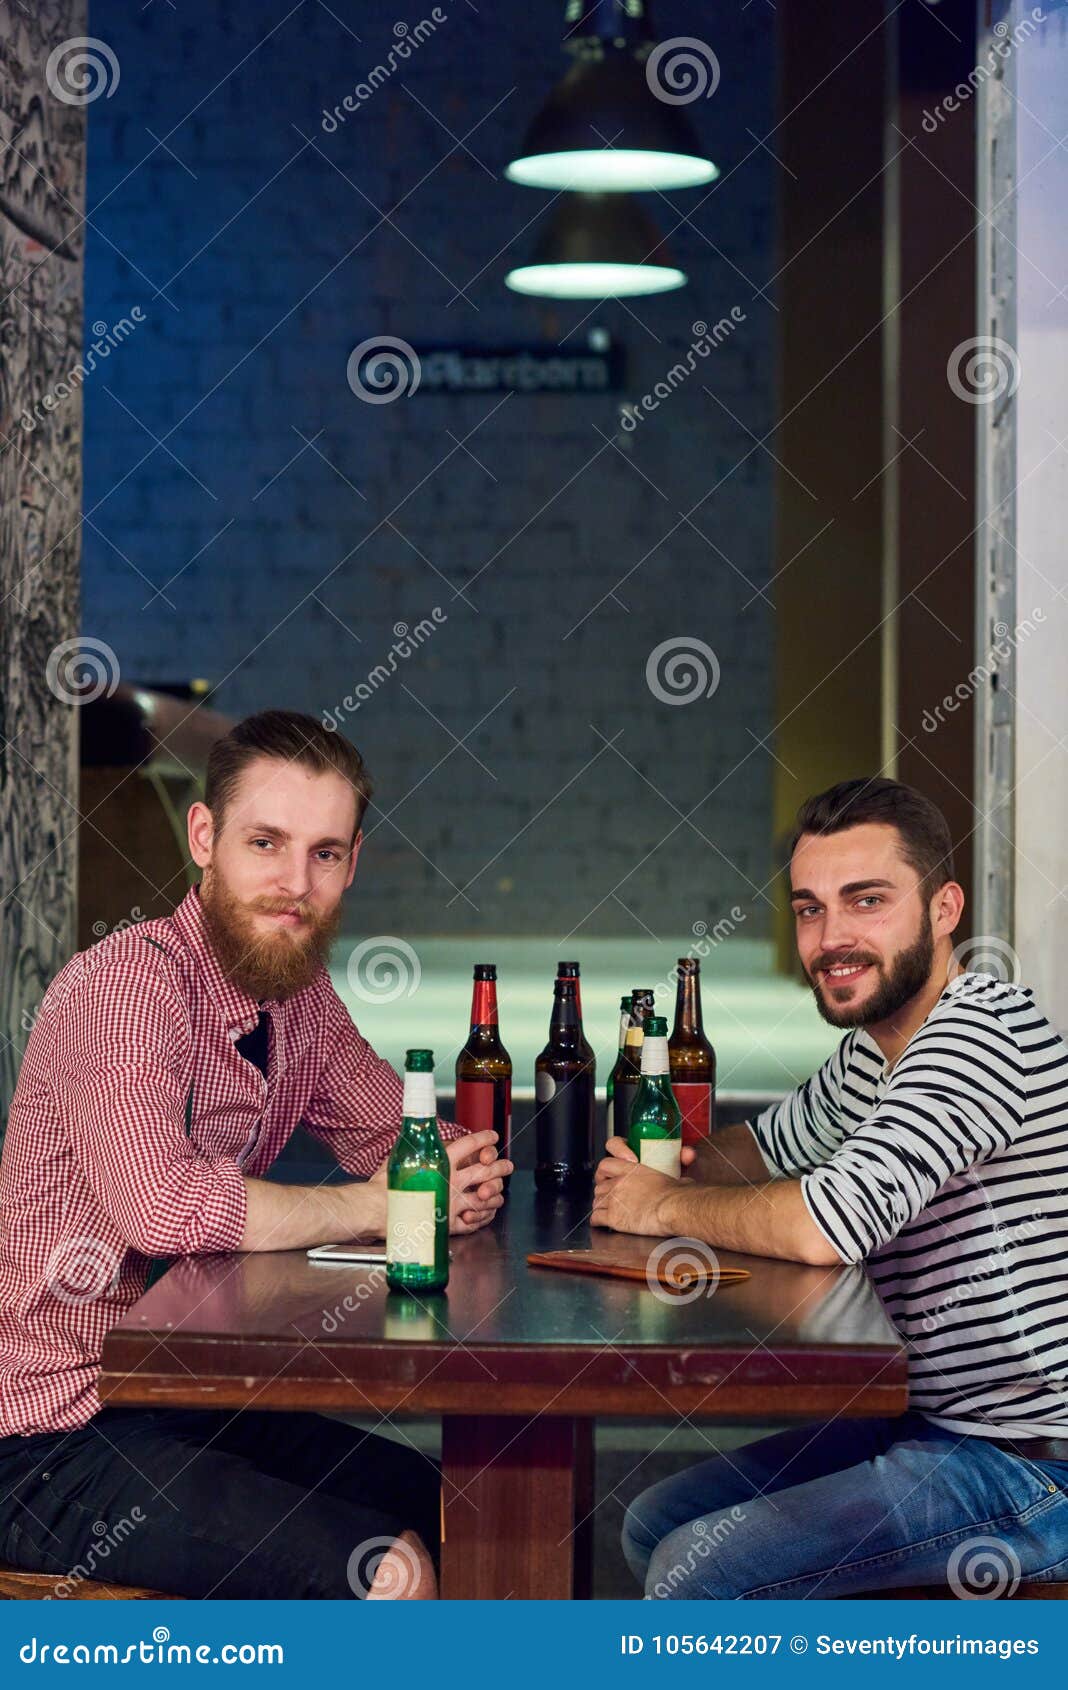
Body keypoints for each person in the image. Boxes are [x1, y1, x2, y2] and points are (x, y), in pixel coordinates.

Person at [0, 710, 512, 1599]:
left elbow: (404, 1138)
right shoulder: (125, 988)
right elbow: (162, 1204)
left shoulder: (298, 994)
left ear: (352, 862)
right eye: (266, 842)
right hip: (46, 1432)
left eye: (323, 852)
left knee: (459, 1504)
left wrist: (453, 1172)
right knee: (384, 1575)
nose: (293, 884)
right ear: (205, 837)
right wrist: (378, 1203)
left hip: (181, 1398)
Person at [594, 777, 1068, 1599]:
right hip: (938, 1425)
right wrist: (661, 1162)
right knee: (653, 1523)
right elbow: (763, 1150)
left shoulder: (976, 1037)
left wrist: (657, 1205)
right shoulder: (875, 1050)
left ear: (946, 908)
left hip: (1034, 1467)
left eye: (867, 900)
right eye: (811, 909)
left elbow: (823, 1224)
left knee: (692, 1576)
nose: (832, 937)